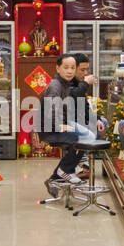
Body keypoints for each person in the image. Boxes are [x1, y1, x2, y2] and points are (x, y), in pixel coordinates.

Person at [39, 53, 89, 185]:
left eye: (73, 68)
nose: (70, 71)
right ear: (58, 68)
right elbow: (52, 109)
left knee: (85, 135)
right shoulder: (55, 85)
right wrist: (59, 126)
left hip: (59, 125)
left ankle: (57, 177)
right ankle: (65, 170)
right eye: (66, 67)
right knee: (81, 138)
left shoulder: (67, 84)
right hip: (50, 130)